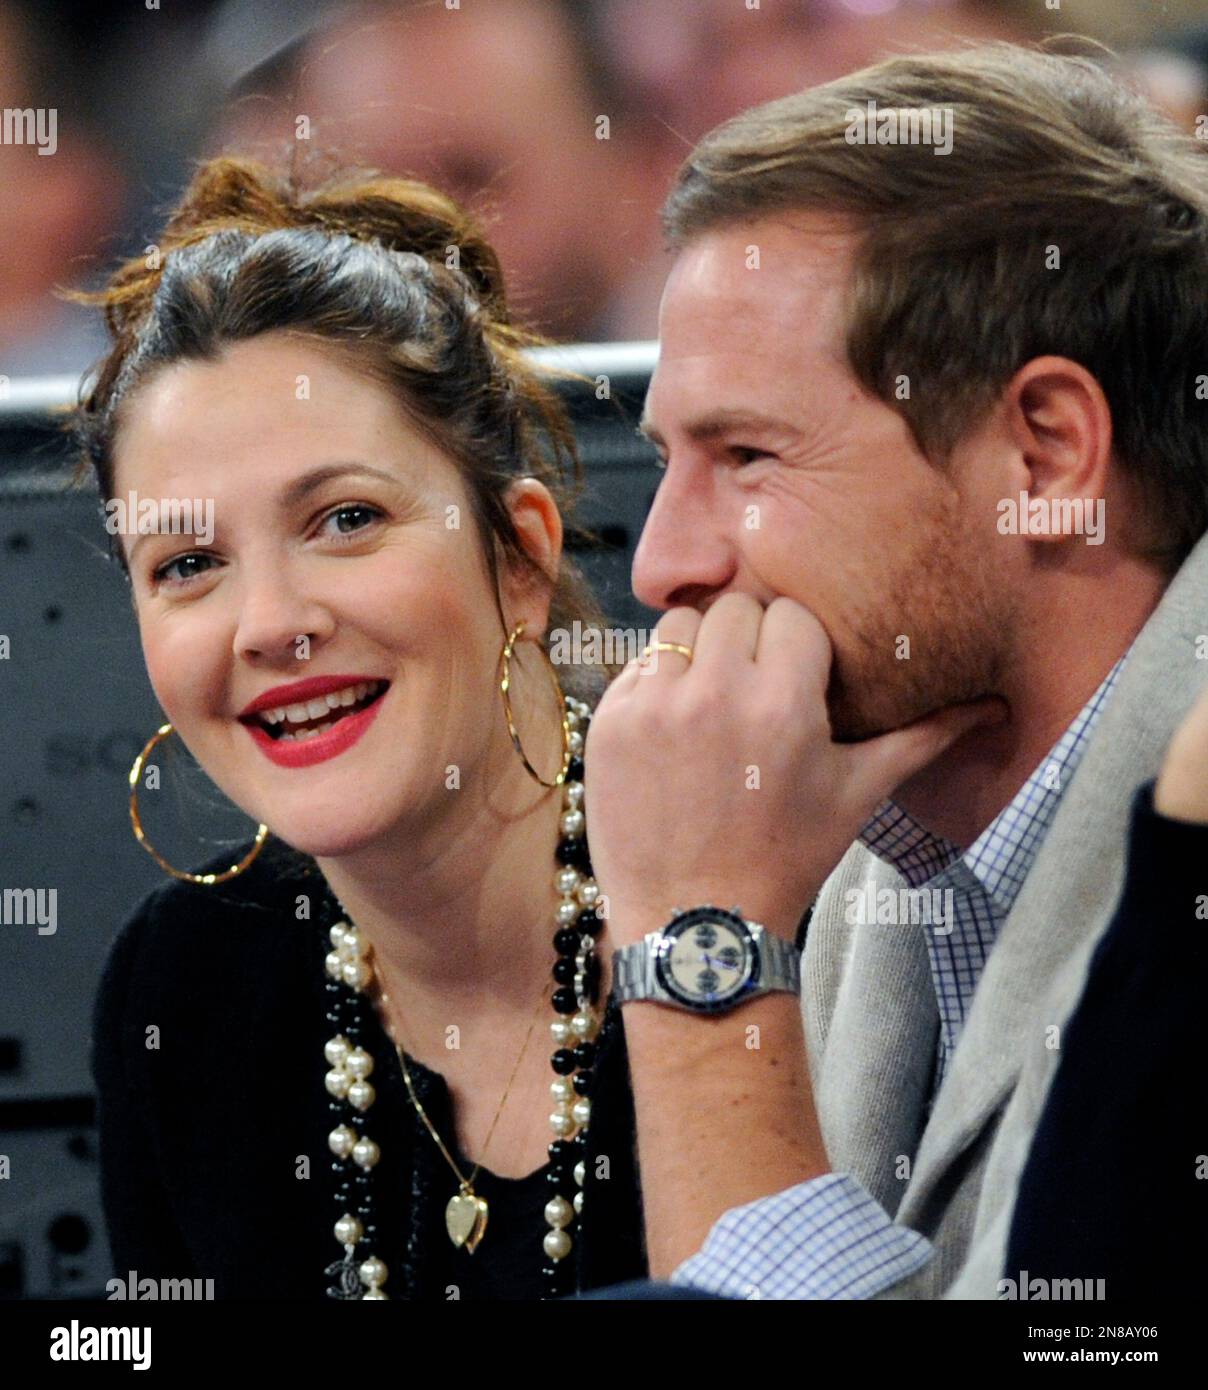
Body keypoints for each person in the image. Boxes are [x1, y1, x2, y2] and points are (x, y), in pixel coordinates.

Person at [578, 38, 1208, 1297]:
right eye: (665, 464)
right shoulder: (856, 842)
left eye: (747, 457)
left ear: (1042, 459)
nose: (659, 565)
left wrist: (700, 946)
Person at [74, 152, 668, 1301]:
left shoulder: (739, 910)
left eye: (346, 519)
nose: (272, 624)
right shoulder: (183, 987)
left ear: (521, 554)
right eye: (187, 563)